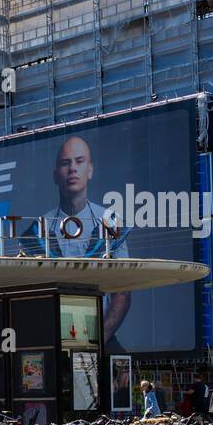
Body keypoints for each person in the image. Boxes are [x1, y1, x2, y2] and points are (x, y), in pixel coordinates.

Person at [19, 136, 131, 344]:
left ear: (90, 170)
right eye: (65, 163)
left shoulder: (109, 222)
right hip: (53, 338)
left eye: (79, 161)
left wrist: (99, 340)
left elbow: (122, 292)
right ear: (55, 175)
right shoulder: (38, 229)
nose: (72, 169)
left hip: (102, 338)